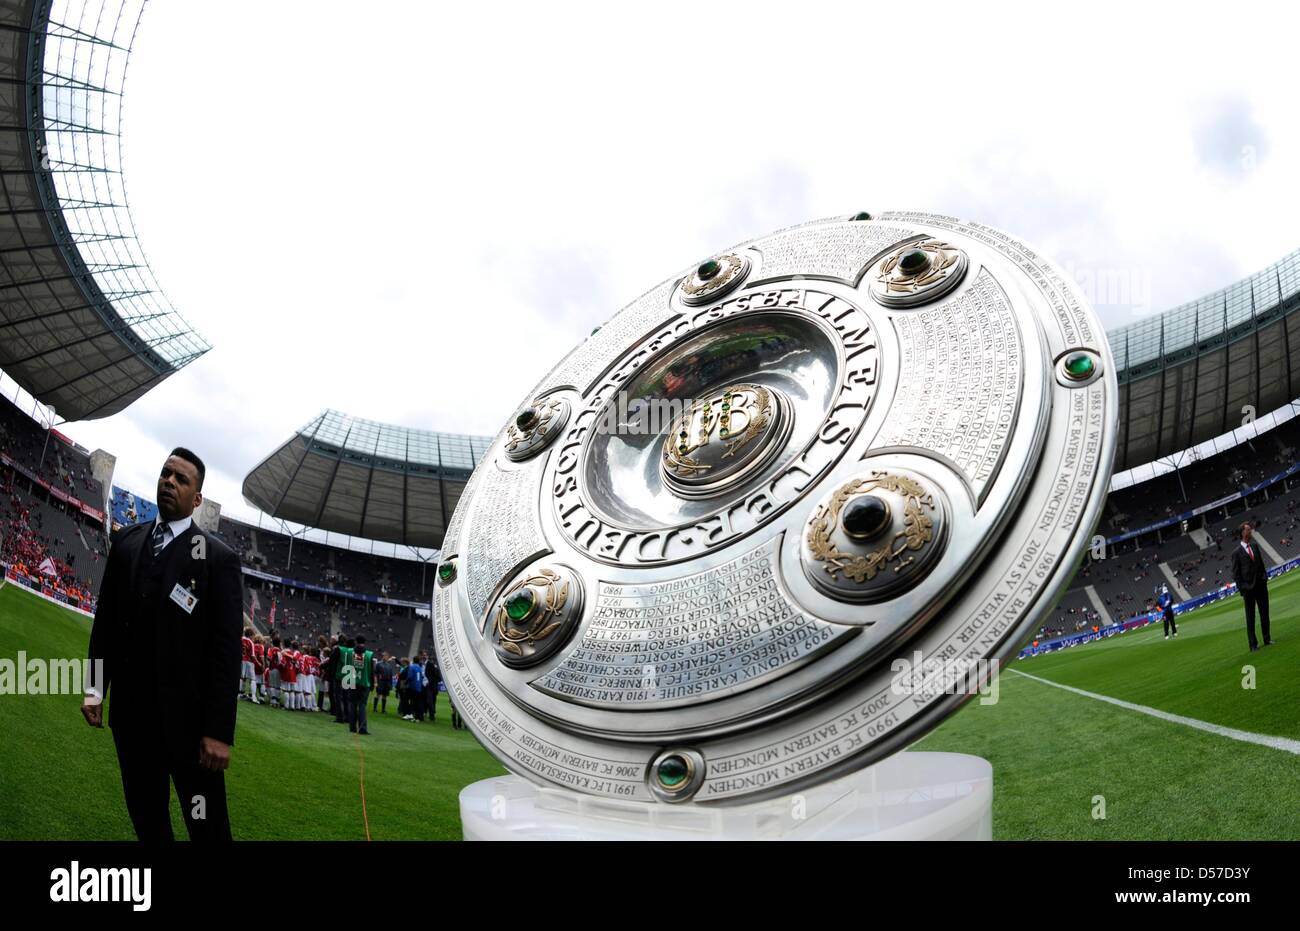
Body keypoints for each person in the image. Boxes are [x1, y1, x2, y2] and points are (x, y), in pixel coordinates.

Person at [80, 448, 243, 841]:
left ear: (197, 499)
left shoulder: (216, 559)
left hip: (189, 733)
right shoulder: (128, 541)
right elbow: (106, 624)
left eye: (181, 479)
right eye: (166, 473)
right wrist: (94, 688)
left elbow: (226, 653)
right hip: (132, 721)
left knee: (206, 826)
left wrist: (219, 731)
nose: (169, 481)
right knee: (148, 818)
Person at [1232, 520, 1274, 652]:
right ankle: (1253, 645)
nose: (1250, 531)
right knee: (1250, 618)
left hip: (1261, 586)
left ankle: (1267, 639)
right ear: (1243, 533)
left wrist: (1264, 578)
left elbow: (1261, 564)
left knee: (1264, 614)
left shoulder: (1255, 546)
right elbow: (1236, 574)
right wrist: (1243, 589)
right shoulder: (1236, 553)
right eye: (1248, 529)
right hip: (1248, 590)